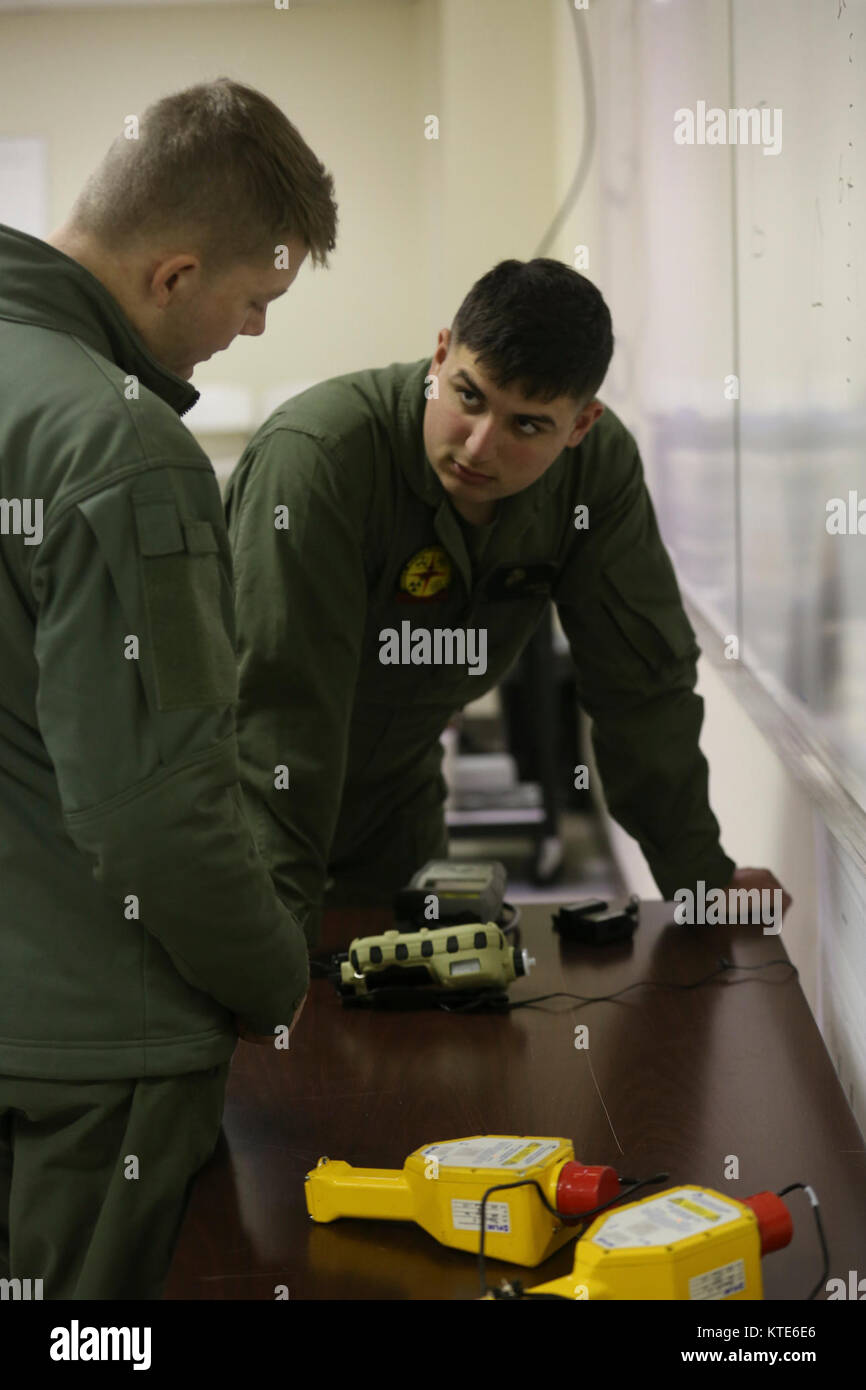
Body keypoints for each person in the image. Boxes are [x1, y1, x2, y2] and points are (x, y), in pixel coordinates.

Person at [0, 77, 337, 1299]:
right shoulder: (120, 444)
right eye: (254, 302)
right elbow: (150, 810)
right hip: (89, 1056)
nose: (249, 332)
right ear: (174, 273)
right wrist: (274, 976)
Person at [226, 258, 791, 947]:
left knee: (407, 996)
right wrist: (274, 947)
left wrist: (700, 881)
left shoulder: (594, 472)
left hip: (395, 798)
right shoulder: (320, 461)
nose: (479, 446)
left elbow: (642, 687)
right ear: (441, 355)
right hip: (239, 803)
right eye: (468, 396)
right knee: (273, 990)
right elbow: (279, 721)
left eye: (526, 426)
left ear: (580, 425)